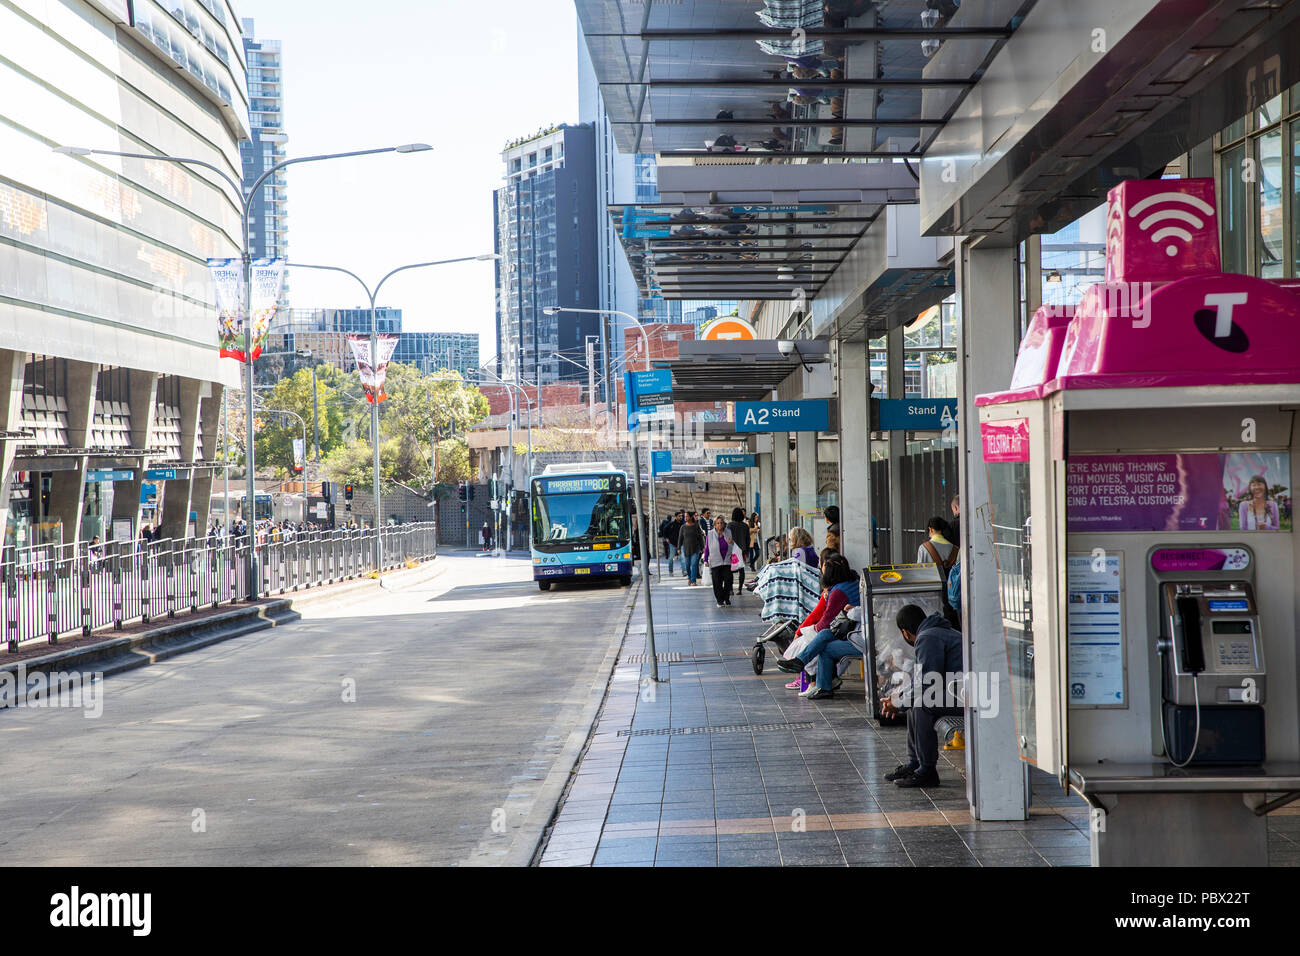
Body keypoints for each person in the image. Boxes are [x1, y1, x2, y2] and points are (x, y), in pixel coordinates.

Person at [880, 603, 964, 788]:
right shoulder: (937, 632)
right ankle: (915, 763)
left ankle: (927, 771)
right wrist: (898, 698)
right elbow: (921, 681)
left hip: (968, 697)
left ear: (905, 633)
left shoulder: (927, 637)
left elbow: (927, 685)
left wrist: (898, 703)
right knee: (915, 702)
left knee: (921, 704)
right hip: (960, 692)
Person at [775, 553, 861, 699]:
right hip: (855, 630)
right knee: (824, 637)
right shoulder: (854, 582)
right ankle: (817, 680)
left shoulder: (838, 592)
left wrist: (807, 631)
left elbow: (824, 622)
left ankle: (817, 680)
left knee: (823, 643)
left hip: (855, 638)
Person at [703, 515, 735, 607]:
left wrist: (731, 542)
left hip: (727, 560)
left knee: (728, 580)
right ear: (714, 525)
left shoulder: (728, 532)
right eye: (718, 523)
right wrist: (706, 559)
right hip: (715, 561)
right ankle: (720, 600)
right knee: (717, 582)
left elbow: (733, 545)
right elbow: (707, 547)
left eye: (721, 523)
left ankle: (726, 597)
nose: (720, 525)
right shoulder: (710, 534)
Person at [727, 507, 751, 594]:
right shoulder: (745, 526)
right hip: (742, 550)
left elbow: (727, 538)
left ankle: (730, 589)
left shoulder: (729, 525)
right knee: (741, 570)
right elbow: (748, 539)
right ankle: (740, 589)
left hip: (732, 550)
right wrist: (747, 551)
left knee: (730, 570)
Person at [679, 512, 705, 585]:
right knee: (687, 565)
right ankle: (690, 578)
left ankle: (693, 581)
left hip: (696, 549)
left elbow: (700, 538)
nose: (685, 518)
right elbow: (680, 538)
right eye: (685, 516)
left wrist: (702, 547)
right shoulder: (683, 527)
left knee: (694, 564)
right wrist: (678, 548)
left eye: (687, 516)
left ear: (690, 517)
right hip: (686, 549)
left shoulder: (696, 526)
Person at [666, 510, 684, 576]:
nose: (681, 517)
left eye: (681, 516)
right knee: (671, 558)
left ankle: (684, 571)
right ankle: (670, 571)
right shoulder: (671, 524)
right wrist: (667, 538)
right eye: (679, 516)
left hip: (681, 544)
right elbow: (664, 531)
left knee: (682, 558)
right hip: (672, 544)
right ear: (676, 517)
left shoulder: (683, 524)